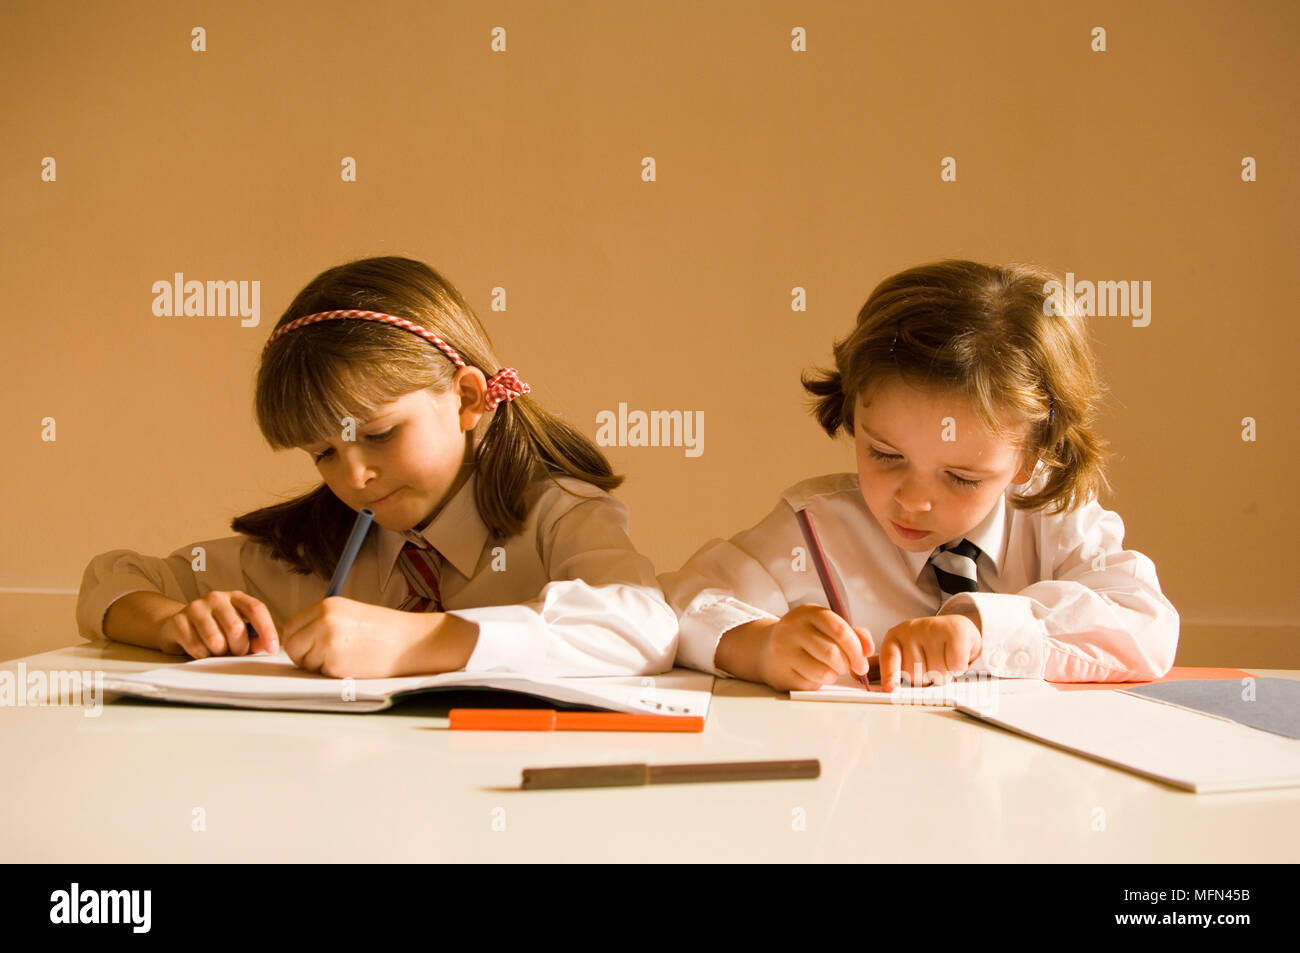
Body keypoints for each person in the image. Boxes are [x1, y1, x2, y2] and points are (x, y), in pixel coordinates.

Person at [77, 256, 677, 679]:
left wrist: (422, 639)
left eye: (380, 434)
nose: (355, 477)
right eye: (325, 454)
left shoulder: (559, 516)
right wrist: (176, 624)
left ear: (467, 399)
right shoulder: (317, 547)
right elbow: (114, 579)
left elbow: (644, 626)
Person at [659, 259, 1178, 692]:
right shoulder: (812, 531)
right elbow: (675, 606)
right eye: (885, 454)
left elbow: (1146, 623)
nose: (913, 499)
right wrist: (758, 645)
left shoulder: (1052, 517)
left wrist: (979, 629)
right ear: (853, 412)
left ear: (1031, 457)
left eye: (961, 477)